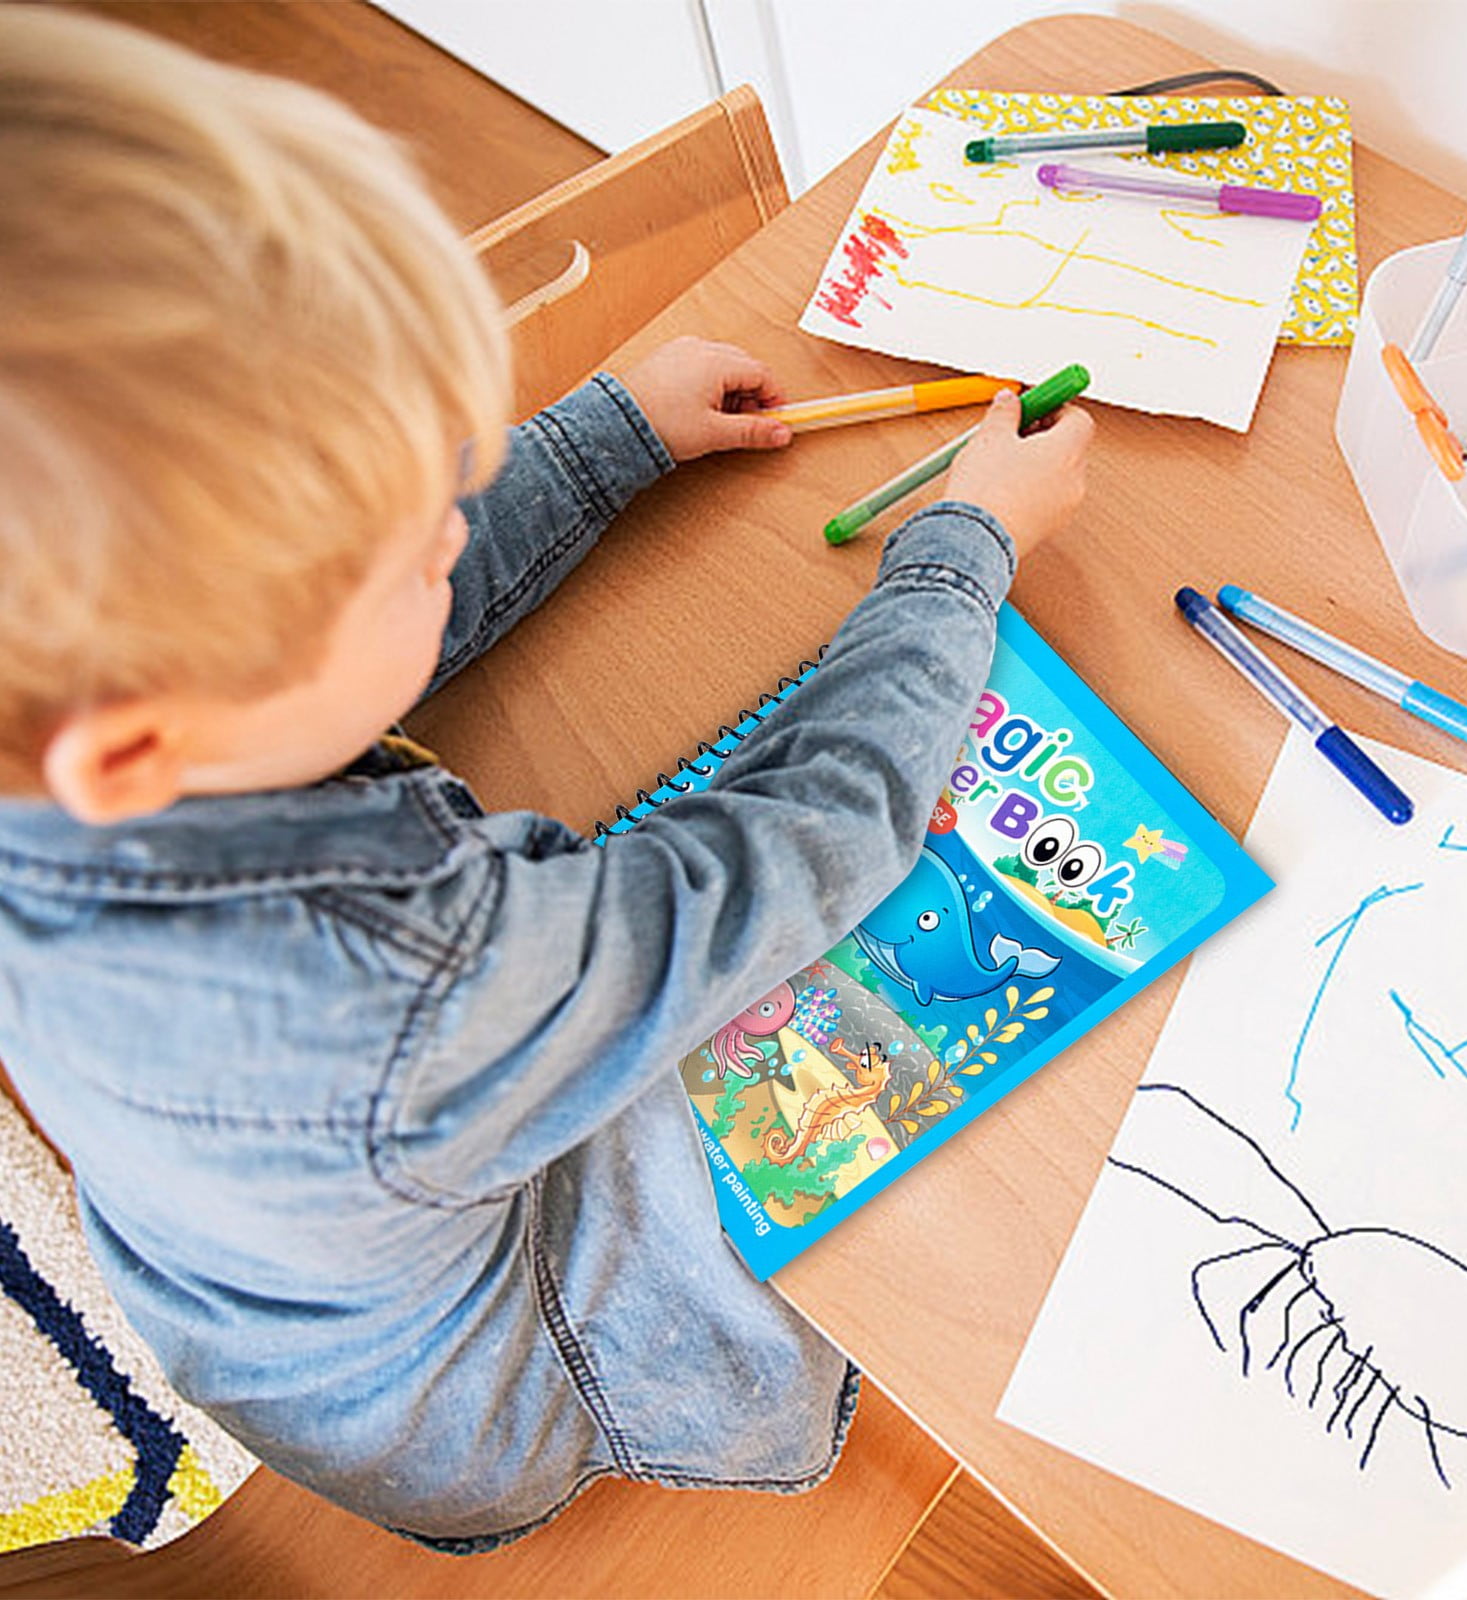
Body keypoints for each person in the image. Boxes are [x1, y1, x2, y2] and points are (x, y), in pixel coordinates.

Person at [0, 6, 1093, 1550]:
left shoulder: (75, 733)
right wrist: (960, 552)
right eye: (406, 549)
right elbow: (803, 844)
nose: (456, 526)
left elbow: (287, 632)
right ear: (132, 749)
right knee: (938, 1145)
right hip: (497, 1384)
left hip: (274, 1286)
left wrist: (603, 441)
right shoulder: (402, 984)